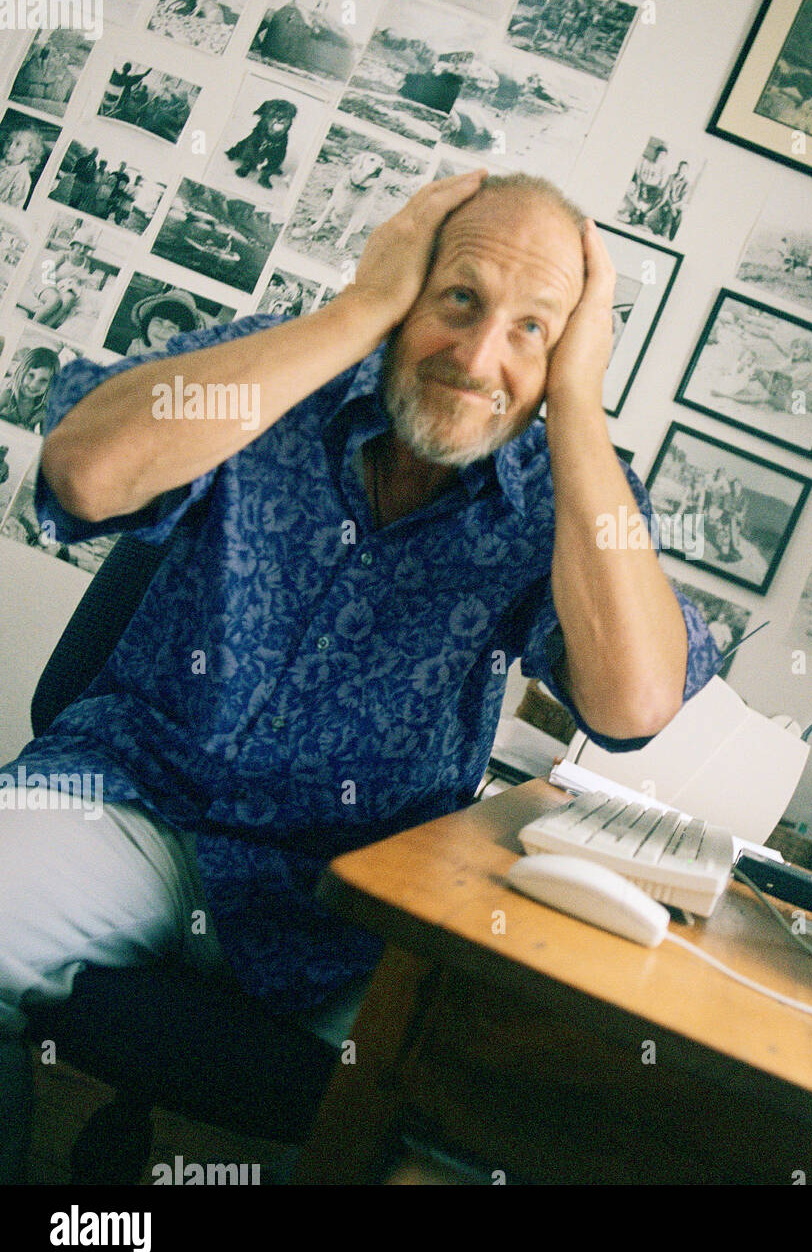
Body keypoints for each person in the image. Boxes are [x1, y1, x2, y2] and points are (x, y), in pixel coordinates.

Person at [0, 169, 720, 1181]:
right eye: (459, 297)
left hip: (350, 893)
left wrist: (579, 408)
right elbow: (83, 472)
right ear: (407, 280)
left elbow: (634, 700)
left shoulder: (562, 486)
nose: (477, 357)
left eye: (531, 329)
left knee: (479, 1116)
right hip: (138, 806)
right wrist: (358, 309)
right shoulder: (272, 369)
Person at [0, 342, 60, 432]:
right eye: (31, 375)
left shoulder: (42, 410)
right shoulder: (7, 397)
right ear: (21, 372)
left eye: (43, 380)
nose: (34, 385)